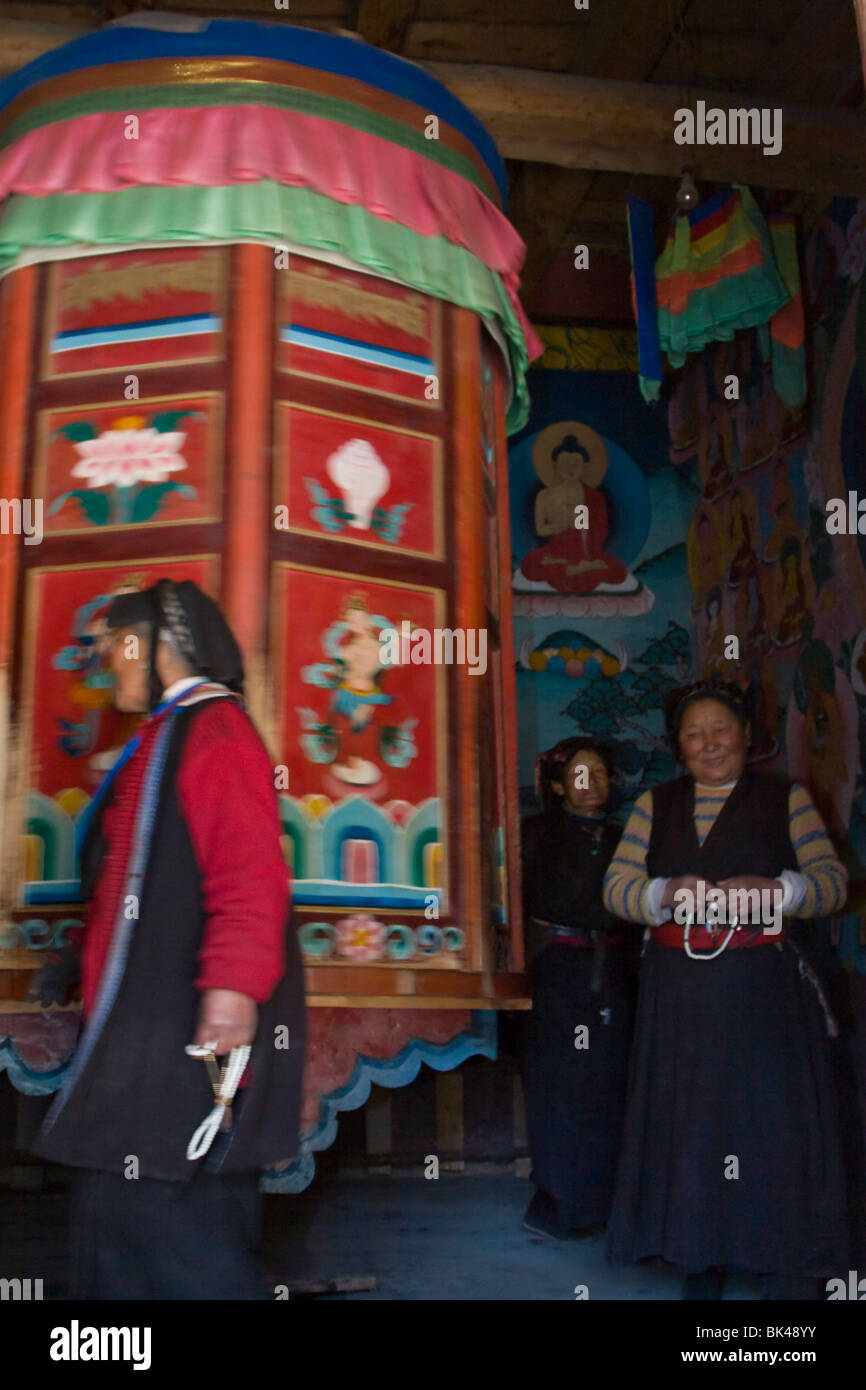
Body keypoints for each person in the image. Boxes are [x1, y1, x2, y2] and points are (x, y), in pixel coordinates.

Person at [28, 579, 306, 1299]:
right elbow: (139, 884)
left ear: (156, 646)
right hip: (147, 1018)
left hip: (185, 1025)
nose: (107, 667)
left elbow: (249, 873)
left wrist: (233, 991)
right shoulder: (165, 734)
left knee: (174, 1208)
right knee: (126, 1197)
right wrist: (72, 961)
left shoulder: (216, 730)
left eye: (114, 647)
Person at [602, 677, 851, 1300]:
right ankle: (698, 1259)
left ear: (746, 736)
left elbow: (832, 882)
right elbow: (615, 889)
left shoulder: (786, 798)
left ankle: (779, 1263)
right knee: (693, 1127)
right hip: (679, 996)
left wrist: (781, 891)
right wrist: (662, 894)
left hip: (764, 995)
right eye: (694, 734)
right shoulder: (653, 806)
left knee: (768, 1125)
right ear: (678, 747)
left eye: (721, 730)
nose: (709, 744)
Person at [519, 736, 634, 1240]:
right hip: (556, 971)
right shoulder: (536, 832)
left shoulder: (626, 837)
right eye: (581, 774)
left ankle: (604, 1205)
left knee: (608, 1085)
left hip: (610, 971)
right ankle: (559, 1205)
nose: (593, 783)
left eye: (602, 773)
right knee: (559, 1086)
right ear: (560, 785)